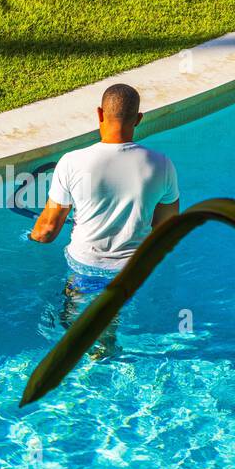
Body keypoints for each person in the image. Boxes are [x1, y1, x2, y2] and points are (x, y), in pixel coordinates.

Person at [28, 84, 180, 341]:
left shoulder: (72, 162)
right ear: (139, 119)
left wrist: (29, 236)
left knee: (73, 326)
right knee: (110, 325)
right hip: (131, 270)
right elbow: (167, 229)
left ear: (99, 114)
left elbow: (46, 233)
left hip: (85, 265)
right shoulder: (162, 164)